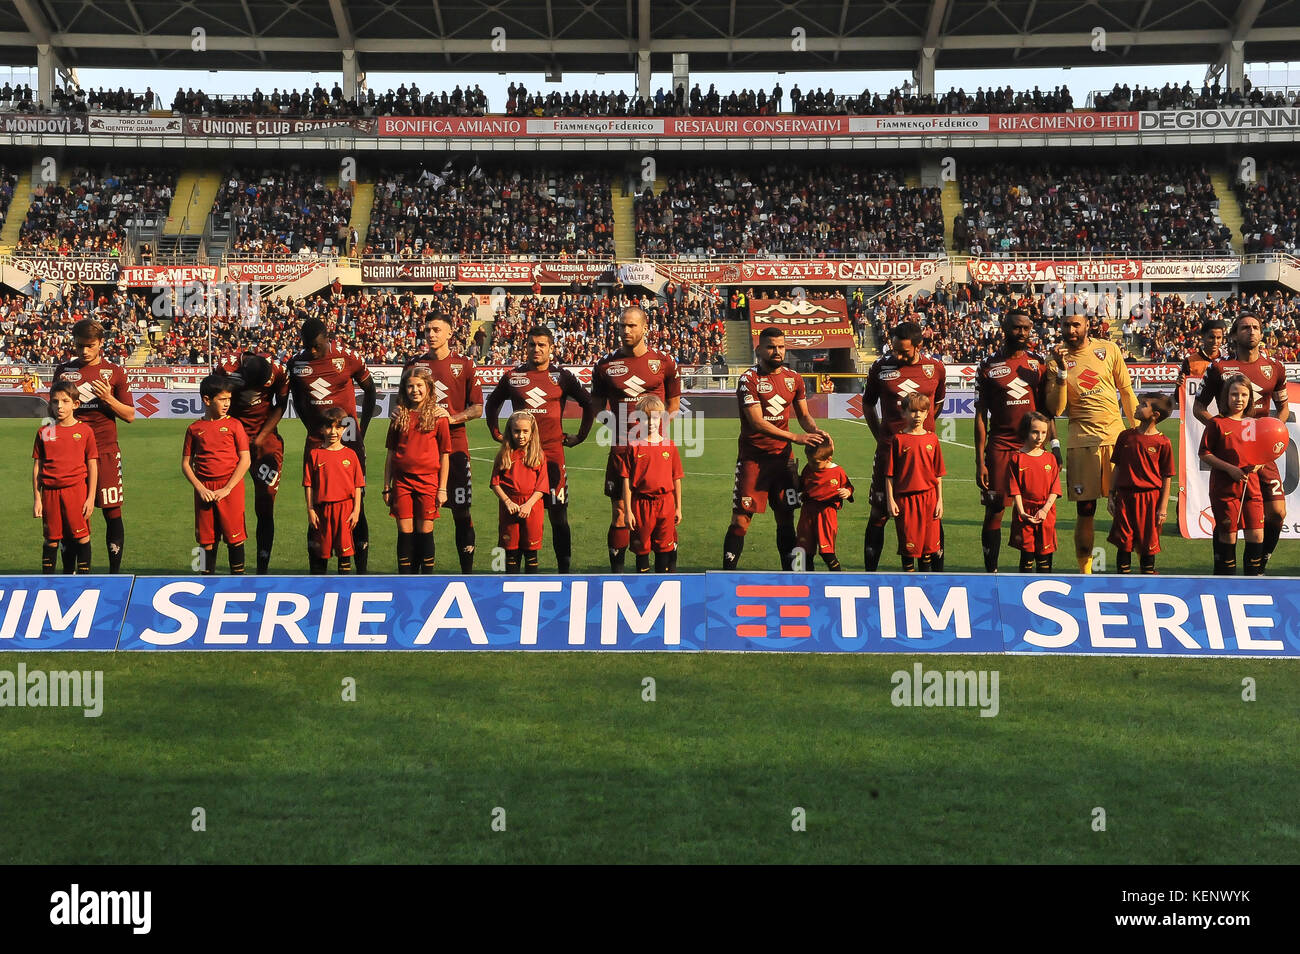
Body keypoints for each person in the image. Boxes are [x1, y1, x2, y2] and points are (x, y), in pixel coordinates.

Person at [484, 325, 594, 572]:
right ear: (526, 346)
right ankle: (504, 573)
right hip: (518, 457)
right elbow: (491, 403)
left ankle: (563, 572)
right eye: (532, 344)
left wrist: (581, 436)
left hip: (553, 454)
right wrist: (496, 432)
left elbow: (588, 403)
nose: (536, 349)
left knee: (558, 516)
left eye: (542, 345)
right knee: (511, 517)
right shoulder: (514, 376)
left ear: (551, 348)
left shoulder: (562, 376)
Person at [723, 326, 828, 571]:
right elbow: (757, 422)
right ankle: (725, 575)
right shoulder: (748, 380)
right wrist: (795, 437)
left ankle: (791, 575)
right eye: (771, 347)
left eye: (781, 346)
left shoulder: (794, 379)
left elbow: (804, 416)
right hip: (754, 461)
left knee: (786, 519)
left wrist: (815, 431)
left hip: (784, 462)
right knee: (741, 520)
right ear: (759, 349)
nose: (777, 351)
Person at [1194, 313, 1288, 571]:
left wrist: (1270, 438)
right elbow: (1199, 407)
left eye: (1256, 327)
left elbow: (1283, 409)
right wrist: (1226, 431)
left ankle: (1263, 557)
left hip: (1262, 455)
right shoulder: (1220, 368)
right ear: (1235, 334)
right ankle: (1222, 567)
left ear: (1262, 332)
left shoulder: (1275, 367)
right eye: (1245, 328)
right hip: (1233, 455)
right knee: (1228, 521)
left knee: (1277, 513)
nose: (1252, 331)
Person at [1045, 312, 1138, 573]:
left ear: (1087, 326)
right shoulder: (1054, 362)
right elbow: (1058, 409)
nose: (1071, 329)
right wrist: (1062, 373)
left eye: (1076, 324)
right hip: (1080, 442)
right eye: (1066, 325)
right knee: (1085, 510)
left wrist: (1138, 432)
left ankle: (1124, 570)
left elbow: (1126, 391)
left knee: (1123, 507)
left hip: (1116, 439)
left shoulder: (1108, 349)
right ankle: (1085, 573)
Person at [593, 306, 680, 572]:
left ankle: (668, 574)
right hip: (621, 449)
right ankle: (617, 576)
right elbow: (596, 407)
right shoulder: (606, 364)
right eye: (622, 326)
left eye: (631, 326)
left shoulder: (664, 362)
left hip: (655, 452)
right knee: (620, 512)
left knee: (665, 513)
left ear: (645, 328)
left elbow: (674, 405)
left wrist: (654, 432)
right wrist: (618, 429)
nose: (625, 331)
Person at [287, 316, 377, 571]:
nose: (313, 351)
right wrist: (311, 429)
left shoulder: (347, 358)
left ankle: (360, 570)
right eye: (308, 346)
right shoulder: (296, 363)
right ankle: (317, 571)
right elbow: (297, 399)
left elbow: (370, 391)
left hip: (349, 440)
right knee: (317, 503)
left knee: (356, 501)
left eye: (317, 345)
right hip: (317, 440)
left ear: (327, 338)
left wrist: (363, 429)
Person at [974, 309, 1055, 572]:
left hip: (1033, 449)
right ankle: (991, 571)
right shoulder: (987, 366)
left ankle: (1031, 569)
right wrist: (980, 462)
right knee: (995, 508)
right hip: (1000, 447)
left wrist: (1054, 448)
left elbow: (1047, 411)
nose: (1022, 333)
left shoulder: (1037, 363)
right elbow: (980, 416)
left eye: (1027, 328)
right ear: (1004, 327)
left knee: (1035, 506)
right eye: (1017, 328)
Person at [51, 318, 135, 573]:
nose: (84, 351)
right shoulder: (64, 372)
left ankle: (114, 575)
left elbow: (130, 415)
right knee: (71, 513)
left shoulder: (115, 372)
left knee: (111, 511)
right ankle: (70, 574)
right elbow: (52, 410)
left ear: (100, 344)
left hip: (105, 450)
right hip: (72, 453)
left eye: (89, 346)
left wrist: (108, 398)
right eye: (79, 346)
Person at [863, 321, 945, 571]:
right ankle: (870, 575)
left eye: (904, 352)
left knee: (931, 514)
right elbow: (868, 404)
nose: (897, 355)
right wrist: (881, 436)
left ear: (919, 346)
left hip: (922, 454)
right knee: (879, 513)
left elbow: (937, 404)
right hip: (890, 450)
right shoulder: (881, 366)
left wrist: (921, 434)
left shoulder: (935, 367)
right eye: (894, 349)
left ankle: (937, 577)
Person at [404, 313, 483, 573]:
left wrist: (451, 418)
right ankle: (417, 579)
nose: (431, 334)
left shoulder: (464, 364)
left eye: (437, 329)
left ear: (450, 333)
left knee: (461, 512)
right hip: (422, 452)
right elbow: (402, 406)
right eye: (427, 329)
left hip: (456, 449)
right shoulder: (414, 366)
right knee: (421, 518)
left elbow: (477, 408)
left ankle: (467, 575)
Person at [219, 351, 289, 573]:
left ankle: (262, 569)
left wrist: (260, 437)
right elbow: (211, 399)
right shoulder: (225, 368)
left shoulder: (278, 370)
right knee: (222, 502)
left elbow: (281, 405)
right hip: (231, 441)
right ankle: (215, 569)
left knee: (266, 505)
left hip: (265, 442)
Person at [384, 367, 451, 574]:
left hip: (429, 482)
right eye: (410, 386)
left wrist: (443, 488)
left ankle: (426, 579)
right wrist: (387, 486)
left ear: (429, 388)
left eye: (419, 386)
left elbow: (444, 455)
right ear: (404, 389)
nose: (415, 390)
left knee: (425, 532)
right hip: (402, 483)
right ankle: (406, 579)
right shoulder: (399, 416)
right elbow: (390, 454)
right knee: (405, 533)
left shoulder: (439, 417)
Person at [181, 374, 251, 575]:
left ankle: (239, 581)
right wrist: (200, 488)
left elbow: (245, 460)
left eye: (229, 399)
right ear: (207, 400)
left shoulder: (235, 425)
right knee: (204, 539)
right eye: (222, 399)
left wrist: (228, 488)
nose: (227, 403)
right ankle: (203, 579)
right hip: (205, 490)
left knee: (235, 537)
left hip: (231, 488)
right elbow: (186, 464)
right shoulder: (194, 429)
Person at [1199, 375, 1266, 575]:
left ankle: (1253, 583)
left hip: (1252, 488)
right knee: (1228, 536)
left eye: (1244, 394)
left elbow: (1265, 453)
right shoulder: (1217, 423)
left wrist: (1258, 464)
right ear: (1225, 397)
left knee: (1256, 534)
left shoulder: (1254, 423)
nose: (1239, 399)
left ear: (1250, 398)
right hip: (1224, 489)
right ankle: (1225, 584)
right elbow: (1204, 453)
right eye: (1234, 394)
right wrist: (1229, 469)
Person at [32, 381, 97, 574]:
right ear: (50, 404)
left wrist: (91, 497)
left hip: (76, 491)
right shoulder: (45, 430)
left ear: (75, 404)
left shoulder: (85, 431)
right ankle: (48, 582)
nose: (59, 406)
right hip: (50, 493)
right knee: (51, 538)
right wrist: (37, 498)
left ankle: (84, 579)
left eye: (65, 401)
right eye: (55, 401)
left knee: (82, 536)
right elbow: (38, 466)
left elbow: (92, 464)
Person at [1107, 393, 1175, 575]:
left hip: (1150, 500)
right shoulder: (1125, 437)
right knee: (1124, 542)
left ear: (1155, 415)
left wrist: (1162, 507)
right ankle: (1122, 580)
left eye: (1143, 404)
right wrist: (1110, 495)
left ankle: (1147, 581)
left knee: (1148, 543)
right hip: (1125, 498)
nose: (1137, 406)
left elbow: (1167, 477)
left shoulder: (1163, 442)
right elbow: (1118, 467)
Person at [617, 394, 684, 573]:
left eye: (655, 417)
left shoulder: (670, 446)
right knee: (642, 550)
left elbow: (676, 478)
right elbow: (626, 480)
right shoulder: (634, 446)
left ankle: (661, 582)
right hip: (641, 505)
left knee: (664, 550)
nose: (651, 422)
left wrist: (678, 508)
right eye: (646, 418)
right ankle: (642, 588)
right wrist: (628, 511)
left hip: (665, 503)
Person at [885, 393, 945, 571]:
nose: (917, 416)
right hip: (906, 501)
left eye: (922, 411)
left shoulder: (932, 439)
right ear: (903, 413)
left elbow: (938, 473)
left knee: (928, 551)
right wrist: (890, 500)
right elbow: (889, 475)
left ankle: (923, 587)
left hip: (929, 498)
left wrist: (940, 500)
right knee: (909, 550)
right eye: (912, 411)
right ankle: (909, 587)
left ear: (927, 414)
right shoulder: (899, 439)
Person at [303, 407, 365, 575]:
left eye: (338, 427)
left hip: (345, 509)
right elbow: (309, 485)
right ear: (322, 429)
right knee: (321, 553)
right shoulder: (315, 454)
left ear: (344, 429)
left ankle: (344, 588)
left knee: (344, 553)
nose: (333, 432)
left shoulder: (351, 455)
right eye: (329, 427)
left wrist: (356, 510)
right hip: (322, 511)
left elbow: (358, 485)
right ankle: (320, 590)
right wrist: (310, 509)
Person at [491, 411, 549, 573]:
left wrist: (528, 505)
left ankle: (530, 587)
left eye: (525, 431)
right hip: (509, 508)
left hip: (532, 508)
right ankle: (511, 590)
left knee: (531, 552)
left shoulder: (538, 456)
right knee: (511, 552)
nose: (521, 435)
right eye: (517, 431)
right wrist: (507, 501)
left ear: (532, 433)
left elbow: (541, 487)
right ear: (510, 431)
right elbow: (495, 483)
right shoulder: (503, 455)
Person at [1007, 412, 1062, 573]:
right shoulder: (1017, 458)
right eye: (1035, 432)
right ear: (1026, 431)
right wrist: (1021, 511)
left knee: (1044, 559)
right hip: (1025, 513)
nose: (1039, 437)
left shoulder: (1050, 458)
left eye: (1044, 433)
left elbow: (1055, 488)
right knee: (1027, 557)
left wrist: (1045, 510)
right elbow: (1014, 488)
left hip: (1046, 512)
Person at [795, 440, 853, 572]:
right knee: (804, 550)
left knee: (826, 551)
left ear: (828, 459)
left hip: (826, 514)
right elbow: (799, 487)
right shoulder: (808, 468)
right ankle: (807, 579)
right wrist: (794, 474)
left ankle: (837, 577)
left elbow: (848, 487)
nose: (811, 465)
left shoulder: (837, 471)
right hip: (807, 512)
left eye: (815, 463)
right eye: (809, 461)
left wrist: (847, 492)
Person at [1175, 319, 1226, 393]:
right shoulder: (1189, 362)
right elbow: (1181, 398)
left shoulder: (1229, 360)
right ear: (1203, 336)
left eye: (1219, 338)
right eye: (1211, 337)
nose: (1215, 342)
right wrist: (1179, 387)